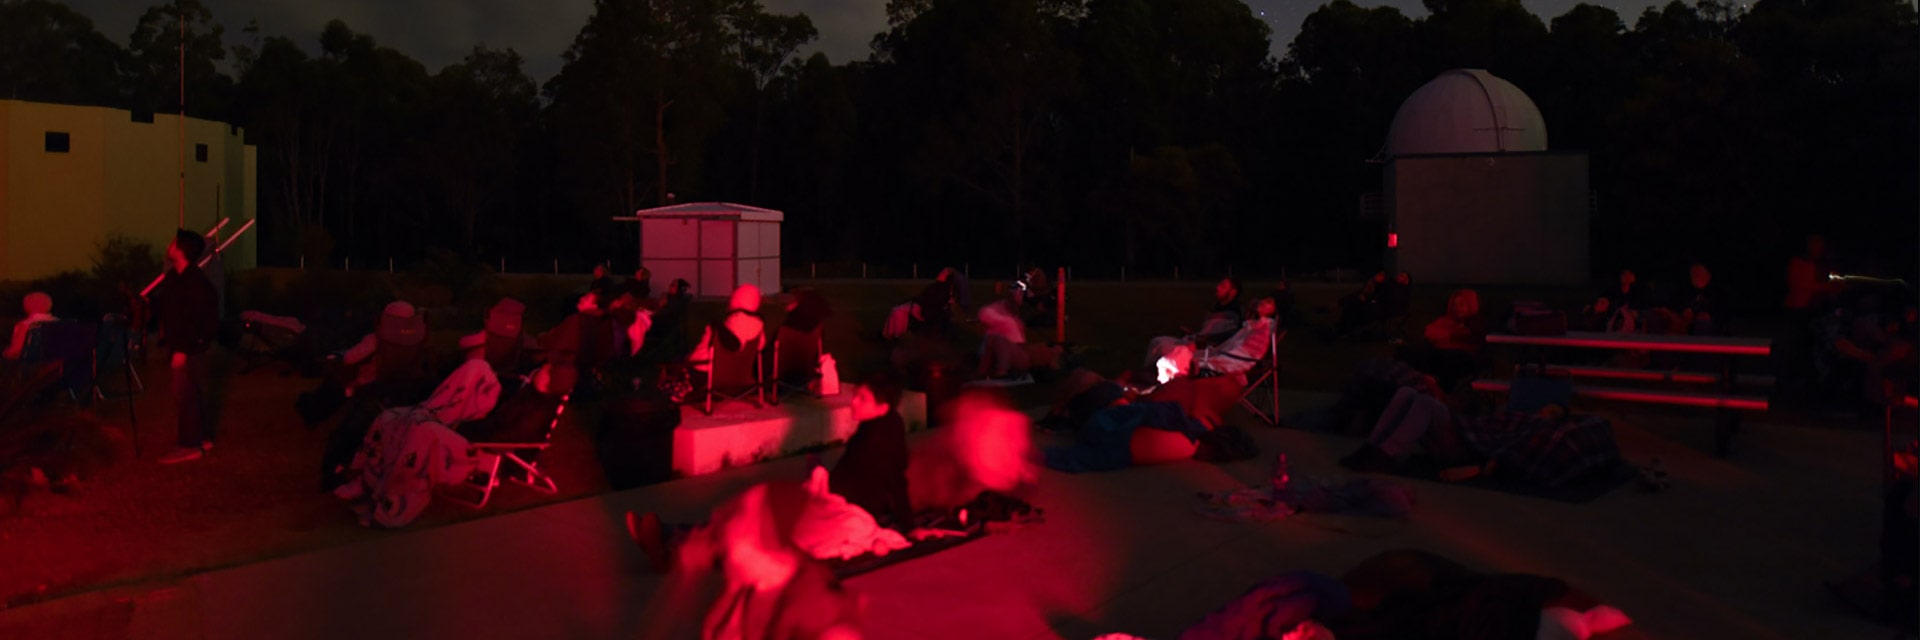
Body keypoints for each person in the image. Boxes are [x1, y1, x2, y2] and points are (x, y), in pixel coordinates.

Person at [630, 481, 868, 640]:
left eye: (735, 515)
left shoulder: (818, 610)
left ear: (763, 541)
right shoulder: (747, 583)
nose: (718, 515)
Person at [152, 229, 221, 464]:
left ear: (181, 250)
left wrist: (183, 349)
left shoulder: (196, 283)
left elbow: (198, 320)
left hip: (189, 349)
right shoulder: (176, 278)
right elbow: (168, 307)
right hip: (181, 346)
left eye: (174, 243)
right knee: (191, 392)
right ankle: (203, 437)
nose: (169, 246)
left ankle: (189, 444)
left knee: (185, 394)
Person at [829, 376, 912, 529]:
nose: (854, 402)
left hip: (856, 512)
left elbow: (895, 478)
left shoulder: (876, 440)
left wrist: (908, 524)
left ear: (882, 408)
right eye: (855, 395)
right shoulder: (886, 420)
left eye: (863, 399)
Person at [1193, 295, 1279, 377]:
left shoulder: (1265, 328)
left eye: (1268, 302)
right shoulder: (1254, 326)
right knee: (1192, 355)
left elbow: (1247, 354)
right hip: (1229, 356)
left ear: (1275, 310)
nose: (1262, 302)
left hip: (1236, 361)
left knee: (1193, 359)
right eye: (1264, 300)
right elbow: (1232, 344)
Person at [689, 284, 765, 375]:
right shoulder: (759, 326)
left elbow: (731, 346)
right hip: (737, 375)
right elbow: (760, 347)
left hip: (705, 370)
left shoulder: (731, 323)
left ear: (736, 298)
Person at [977, 285, 1031, 380]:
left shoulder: (1011, 323)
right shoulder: (1004, 318)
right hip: (1005, 354)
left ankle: (999, 371)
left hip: (1010, 356)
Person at [1663, 263, 1726, 335]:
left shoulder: (1717, 294)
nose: (1696, 276)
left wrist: (1710, 316)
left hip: (1709, 332)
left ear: (1708, 275)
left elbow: (1722, 314)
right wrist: (1683, 312)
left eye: (1699, 273)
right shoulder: (1683, 292)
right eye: (1694, 274)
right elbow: (1674, 307)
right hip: (1684, 330)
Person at [3, 292, 57, 361]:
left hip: (30, 363)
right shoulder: (59, 322)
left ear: (27, 307)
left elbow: (16, 350)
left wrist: (6, 353)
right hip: (56, 362)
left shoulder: (24, 325)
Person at [912, 269, 956, 337]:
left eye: (942, 273)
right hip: (927, 308)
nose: (939, 274)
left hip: (931, 311)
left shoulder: (943, 288)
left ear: (947, 277)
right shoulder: (937, 286)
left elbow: (941, 301)